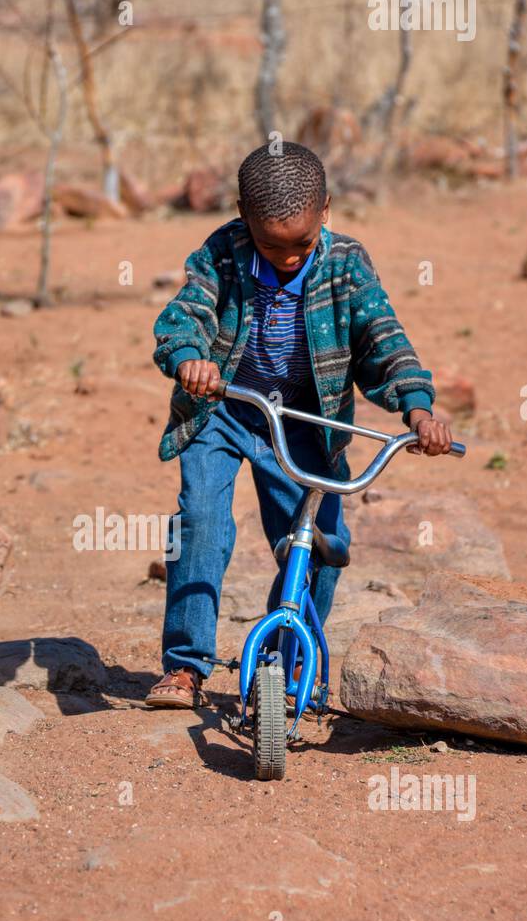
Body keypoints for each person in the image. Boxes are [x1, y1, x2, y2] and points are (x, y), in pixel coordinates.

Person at [146, 140, 452, 709]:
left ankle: (282, 668)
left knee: (320, 544)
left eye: (302, 243)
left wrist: (416, 405)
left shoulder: (345, 264)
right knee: (201, 526)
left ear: (327, 211)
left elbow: (381, 337)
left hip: (306, 422)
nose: (288, 257)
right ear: (243, 216)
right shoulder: (223, 252)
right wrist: (191, 355)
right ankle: (185, 666)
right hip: (225, 410)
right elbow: (184, 315)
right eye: (271, 244)